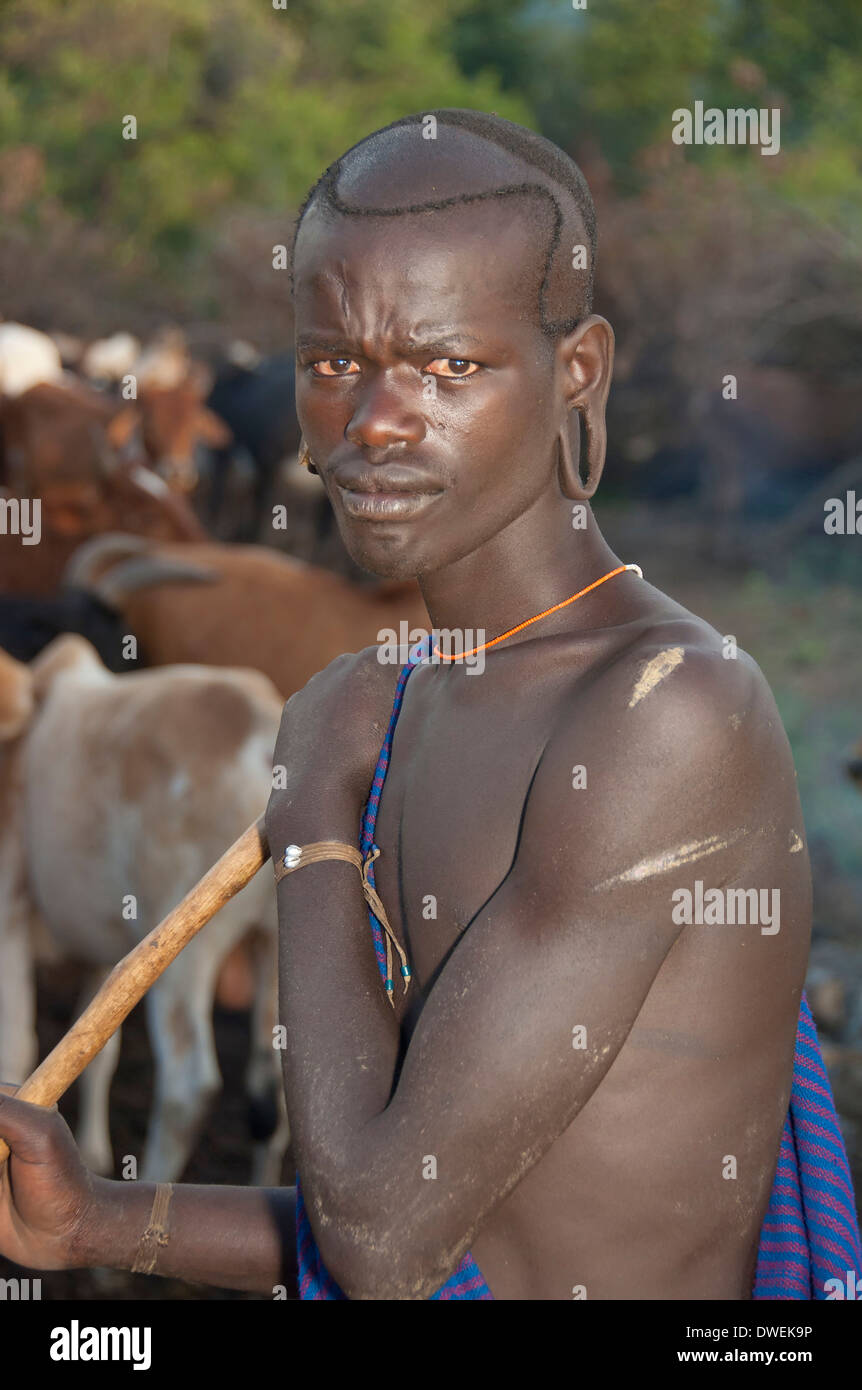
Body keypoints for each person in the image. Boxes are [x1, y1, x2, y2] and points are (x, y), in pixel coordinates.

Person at [0, 110, 856, 1301]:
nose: (372, 424)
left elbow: (385, 1245)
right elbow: (457, 1214)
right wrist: (94, 1220)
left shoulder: (668, 712)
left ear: (578, 371)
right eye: (331, 364)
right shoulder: (410, 695)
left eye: (449, 365)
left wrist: (313, 823)